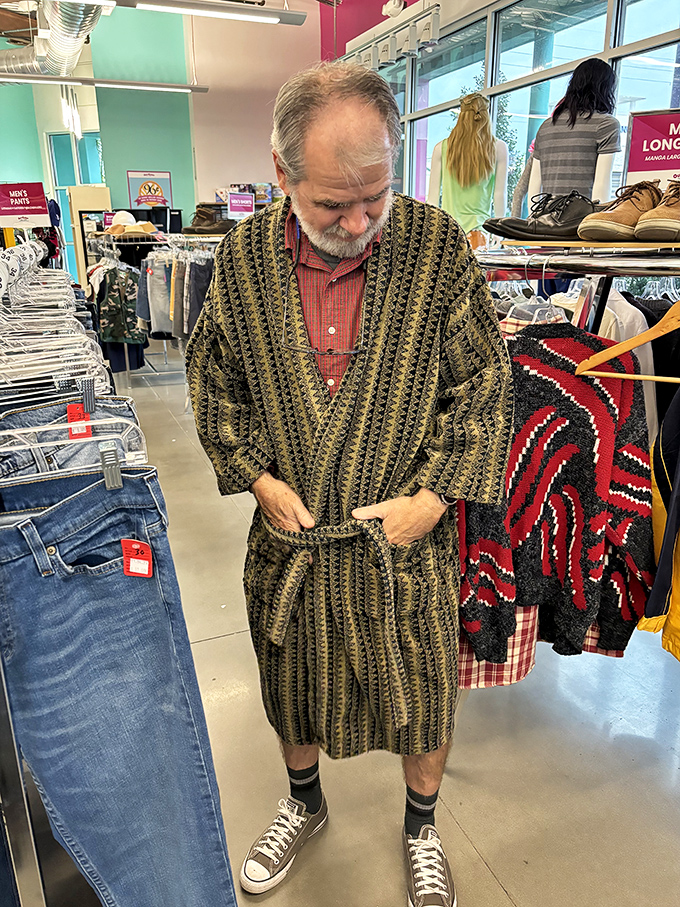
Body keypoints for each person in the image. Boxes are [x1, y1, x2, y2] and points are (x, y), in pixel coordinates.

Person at [185, 62, 513, 907]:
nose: (361, 222)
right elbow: (214, 379)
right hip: (295, 539)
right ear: (283, 171)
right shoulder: (244, 259)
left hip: (404, 535)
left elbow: (483, 383)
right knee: (290, 676)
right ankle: (305, 804)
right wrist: (257, 477)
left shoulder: (437, 249)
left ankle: (422, 822)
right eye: (334, 203)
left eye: (377, 196)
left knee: (424, 688)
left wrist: (433, 501)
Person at [528, 58, 620, 204]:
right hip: (580, 221)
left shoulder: (545, 126)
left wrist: (533, 219)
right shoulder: (605, 125)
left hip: (545, 220)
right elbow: (601, 184)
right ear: (606, 88)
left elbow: (534, 186)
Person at [427, 93, 508, 249]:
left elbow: (432, 200)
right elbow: (500, 193)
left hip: (448, 230)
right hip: (480, 233)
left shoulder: (441, 149)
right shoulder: (498, 148)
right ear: (486, 115)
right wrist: (499, 230)